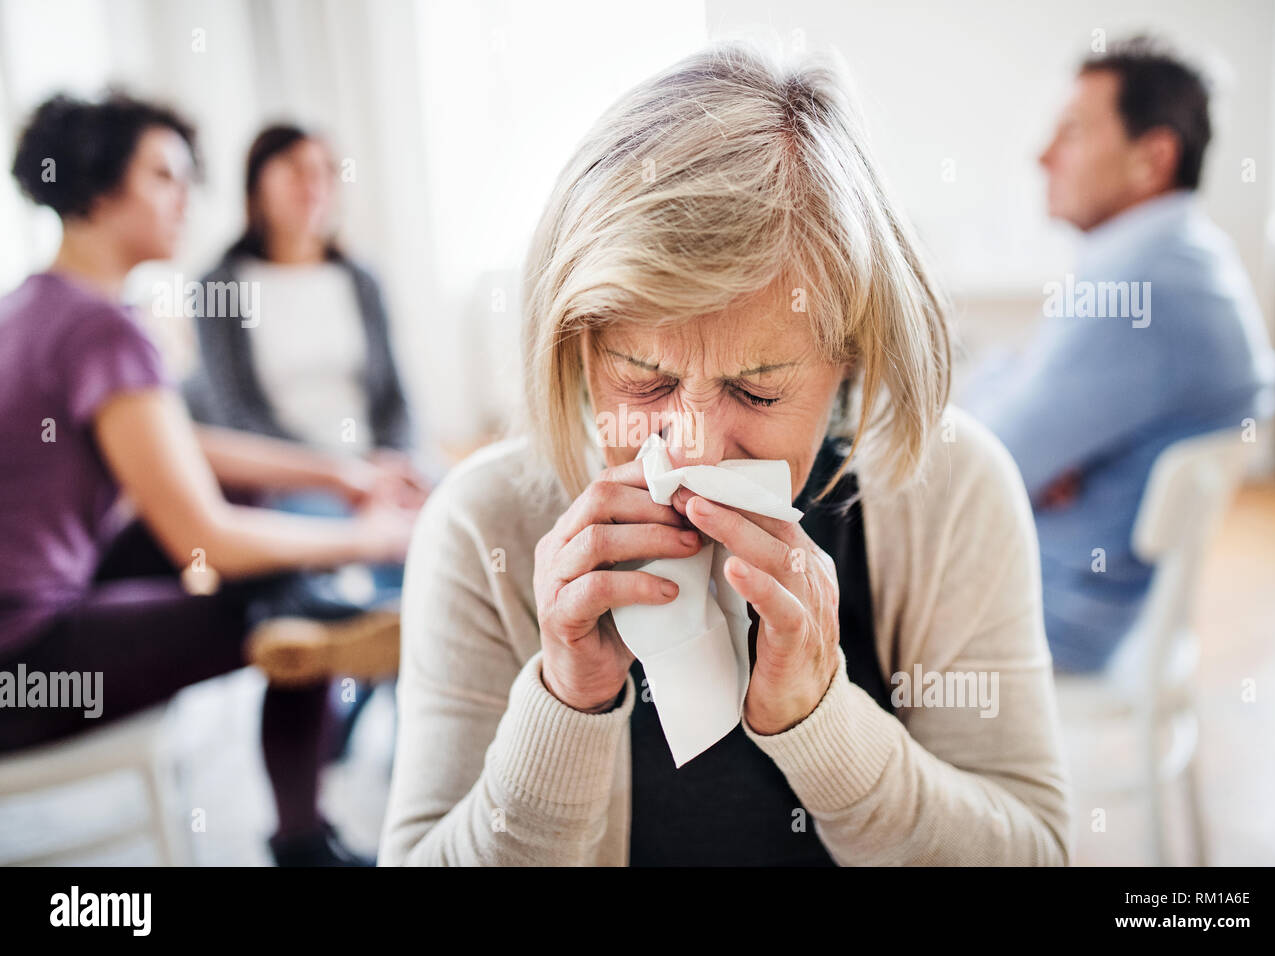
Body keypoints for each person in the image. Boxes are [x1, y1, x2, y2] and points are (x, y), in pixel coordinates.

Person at [378, 42, 1071, 866]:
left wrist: (823, 721)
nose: (694, 443)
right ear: (577, 347)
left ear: (848, 358)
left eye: (759, 390)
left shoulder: (952, 494)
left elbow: (1032, 852)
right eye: (643, 379)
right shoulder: (481, 527)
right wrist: (565, 703)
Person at [0, 91, 416, 865]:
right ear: (97, 185)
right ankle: (302, 841)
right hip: (23, 663)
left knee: (273, 541)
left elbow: (175, 445)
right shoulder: (104, 327)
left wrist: (339, 474)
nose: (186, 196)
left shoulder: (33, 304)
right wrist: (372, 535)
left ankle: (347, 632)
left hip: (34, 613)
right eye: (163, 176)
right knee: (292, 605)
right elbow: (204, 539)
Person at [959, 36, 1275, 674]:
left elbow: (982, 466)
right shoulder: (1188, 256)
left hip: (1057, 612)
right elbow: (1011, 446)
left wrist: (1022, 441)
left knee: (833, 569)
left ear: (1152, 157)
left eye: (1074, 133)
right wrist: (1034, 430)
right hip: (1121, 604)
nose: (1043, 156)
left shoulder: (1136, 287)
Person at [182, 123, 432, 755]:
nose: (313, 185)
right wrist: (339, 474)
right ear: (256, 187)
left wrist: (389, 465)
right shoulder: (219, 285)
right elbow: (234, 415)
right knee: (337, 546)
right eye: (294, 170)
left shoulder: (360, 277)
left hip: (379, 459)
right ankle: (351, 649)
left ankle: (404, 704)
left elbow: (396, 397)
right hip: (290, 470)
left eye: (325, 171)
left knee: (455, 512)